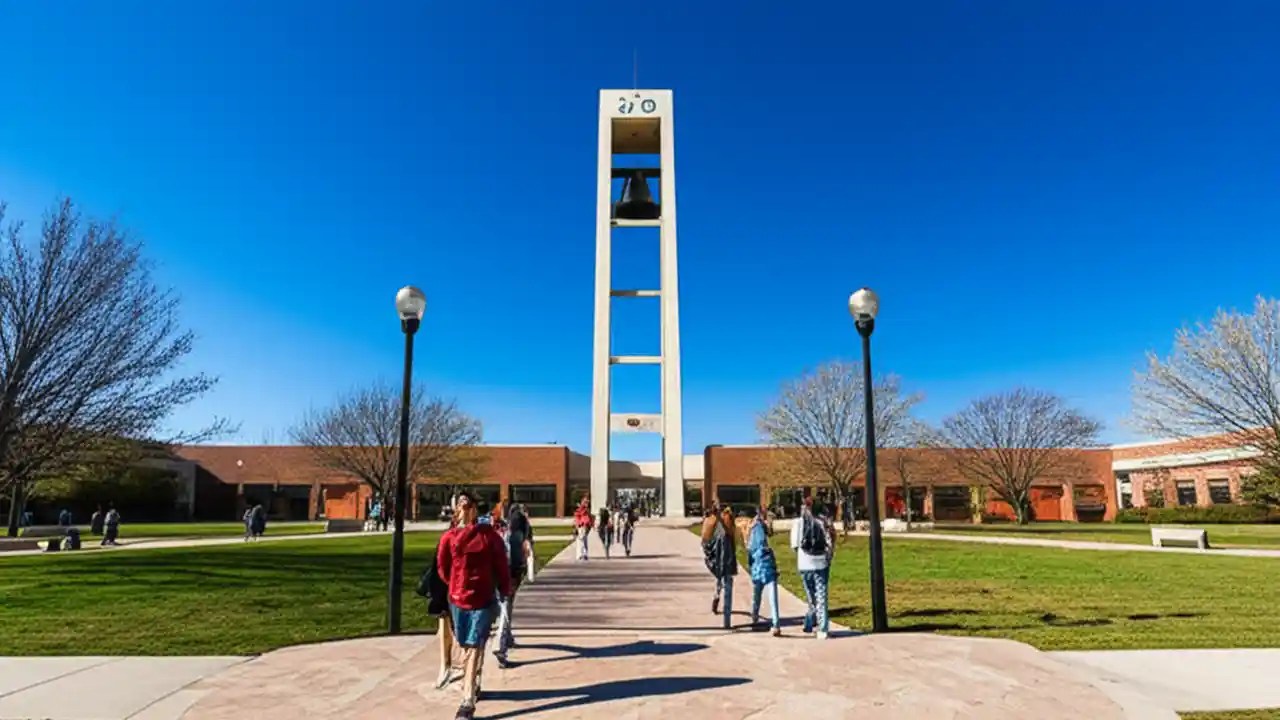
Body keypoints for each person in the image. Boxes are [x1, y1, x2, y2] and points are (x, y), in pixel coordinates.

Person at [436, 492, 511, 720]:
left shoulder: (489, 537)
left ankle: (466, 701)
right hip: (458, 599)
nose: (464, 509)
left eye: (468, 505)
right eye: (460, 505)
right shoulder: (449, 538)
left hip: (483, 599)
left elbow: (501, 565)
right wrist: (455, 587)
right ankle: (474, 679)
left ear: (475, 509)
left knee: (475, 644)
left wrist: (504, 589)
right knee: (465, 643)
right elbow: (442, 567)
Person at [493, 502, 532, 668]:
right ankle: (500, 644)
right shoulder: (518, 533)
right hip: (510, 572)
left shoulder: (501, 530)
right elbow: (522, 555)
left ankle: (507, 637)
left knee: (507, 603)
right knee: (505, 604)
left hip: (496, 572)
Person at [790, 496, 834, 639]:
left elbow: (795, 546)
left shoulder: (798, 522)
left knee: (811, 598)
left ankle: (810, 622)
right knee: (821, 596)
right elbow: (830, 542)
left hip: (804, 563)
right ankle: (822, 628)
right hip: (821, 562)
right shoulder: (824, 521)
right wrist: (828, 558)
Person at [746, 505, 782, 636]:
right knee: (771, 594)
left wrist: (750, 563)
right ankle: (775, 623)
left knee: (757, 593)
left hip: (757, 565)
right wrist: (767, 552)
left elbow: (750, 548)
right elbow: (760, 544)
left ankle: (755, 616)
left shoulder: (752, 527)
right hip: (764, 563)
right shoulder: (758, 527)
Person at [701, 503, 737, 629]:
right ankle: (727, 621)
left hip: (718, 562)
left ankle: (716, 598)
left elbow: (704, 542)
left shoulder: (713, 524)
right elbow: (729, 533)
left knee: (720, 581)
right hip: (725, 562)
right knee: (727, 587)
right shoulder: (723, 527)